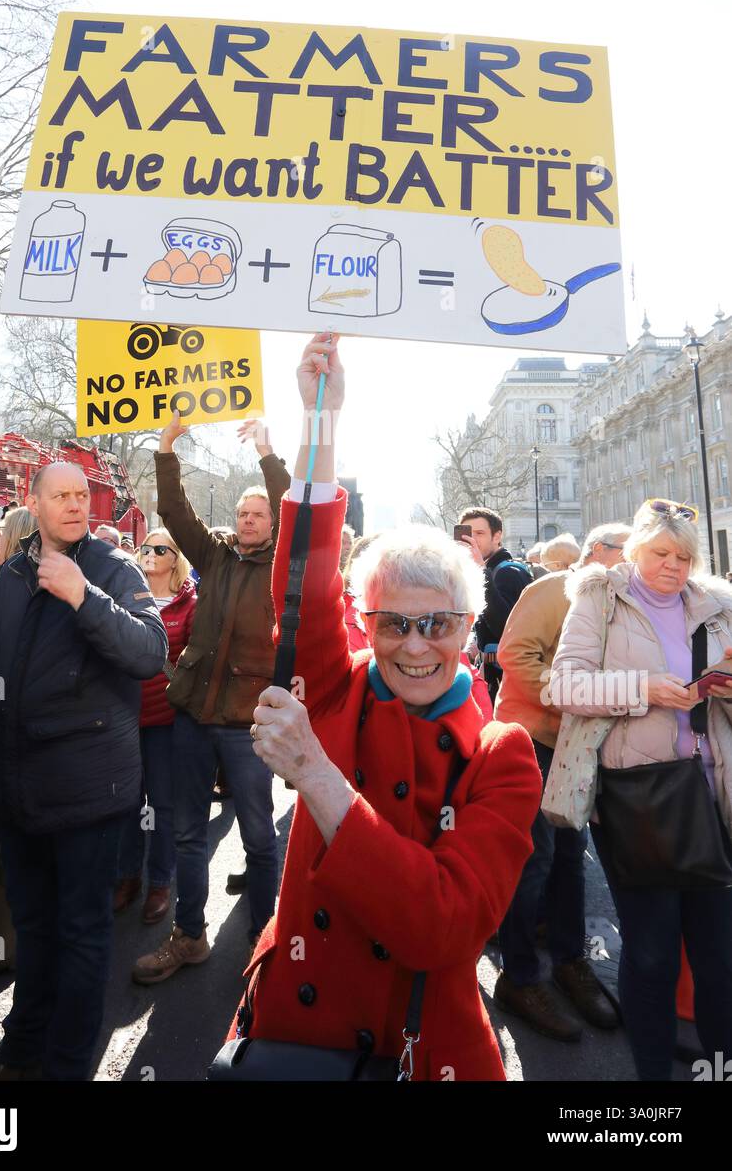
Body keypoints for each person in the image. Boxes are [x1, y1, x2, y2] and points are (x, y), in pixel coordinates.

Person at [218, 335, 540, 1080]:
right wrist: (320, 418)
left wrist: (317, 776)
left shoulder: (503, 753)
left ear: (469, 625)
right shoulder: (341, 684)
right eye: (392, 622)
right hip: (297, 1030)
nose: (416, 646)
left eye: (438, 624)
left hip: (418, 1048)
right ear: (367, 623)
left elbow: (440, 927)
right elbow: (304, 576)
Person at [0, 462, 167, 1082]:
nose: (76, 505)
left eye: (83, 495)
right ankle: (22, 1045)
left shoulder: (113, 569)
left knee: (82, 936)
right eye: (62, 496)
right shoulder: (12, 574)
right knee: (33, 927)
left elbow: (149, 653)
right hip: (20, 790)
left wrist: (85, 596)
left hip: (90, 793)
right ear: (35, 502)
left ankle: (67, 1066)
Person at [549, 498, 732, 1081]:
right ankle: (653, 1089)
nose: (673, 567)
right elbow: (565, 685)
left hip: (715, 797)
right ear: (635, 548)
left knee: (720, 958)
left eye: (683, 557)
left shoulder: (715, 606)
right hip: (640, 801)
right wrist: (645, 688)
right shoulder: (599, 598)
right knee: (652, 955)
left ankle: (720, 1069)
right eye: (660, 553)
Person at [131, 417, 290, 984]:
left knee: (258, 835)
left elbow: (298, 513)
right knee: (187, 831)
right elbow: (173, 513)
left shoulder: (282, 564)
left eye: (258, 515)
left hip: (249, 721)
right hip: (193, 716)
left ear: (274, 524)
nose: (247, 521)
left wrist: (270, 455)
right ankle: (189, 935)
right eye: (242, 515)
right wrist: (167, 446)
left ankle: (262, 943)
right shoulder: (215, 555)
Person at [493, 522, 632, 1040]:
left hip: (577, 743)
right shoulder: (551, 590)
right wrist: (573, 697)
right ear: (598, 551)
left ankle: (570, 962)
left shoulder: (618, 598)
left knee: (570, 856)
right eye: (627, 555)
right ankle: (520, 976)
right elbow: (514, 657)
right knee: (535, 858)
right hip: (533, 737)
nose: (632, 566)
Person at [114, 529, 197, 924]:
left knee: (162, 805)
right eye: (145, 547)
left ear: (175, 558)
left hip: (165, 719)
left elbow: (194, 661)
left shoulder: (190, 604)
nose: (149, 553)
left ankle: (160, 883)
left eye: (160, 548)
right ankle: (127, 877)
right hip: (126, 715)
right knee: (128, 803)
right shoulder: (125, 596)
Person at [457, 506, 533, 702]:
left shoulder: (508, 572)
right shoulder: (485, 570)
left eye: (480, 533)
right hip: (493, 676)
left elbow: (505, 626)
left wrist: (481, 571)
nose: (472, 539)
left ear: (497, 536)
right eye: (467, 533)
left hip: (509, 683)